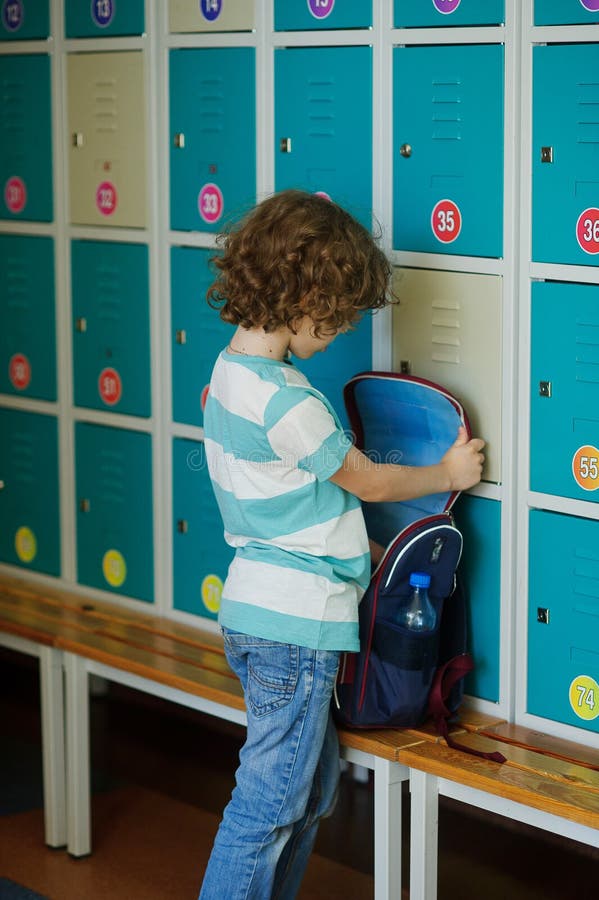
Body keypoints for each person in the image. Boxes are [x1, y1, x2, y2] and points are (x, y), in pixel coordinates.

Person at [199, 190, 484, 900]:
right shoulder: (288, 403)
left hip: (259, 613)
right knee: (267, 808)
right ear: (301, 294)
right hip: (294, 628)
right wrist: (448, 473)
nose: (341, 330)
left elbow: (306, 501)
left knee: (312, 790)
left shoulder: (230, 375)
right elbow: (365, 481)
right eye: (337, 315)